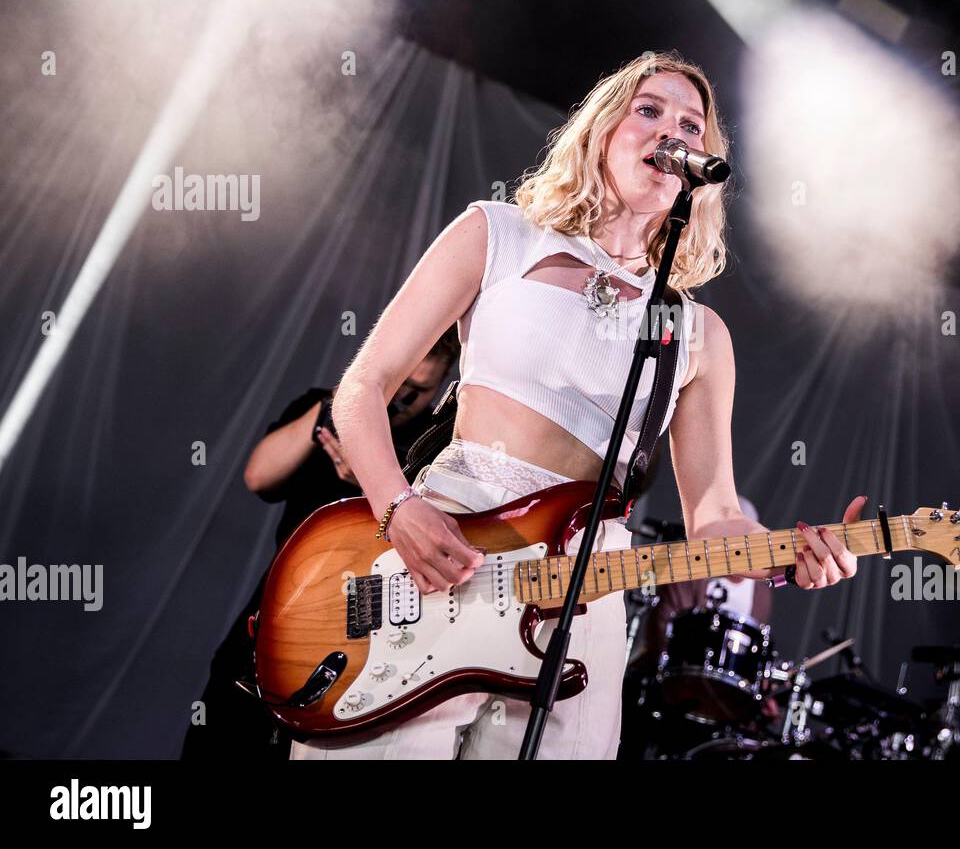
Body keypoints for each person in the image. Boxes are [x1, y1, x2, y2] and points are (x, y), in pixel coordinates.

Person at [291, 50, 866, 760]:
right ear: (600, 131)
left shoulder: (697, 332)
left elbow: (713, 515)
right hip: (447, 546)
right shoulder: (499, 234)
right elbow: (363, 387)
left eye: (692, 125)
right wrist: (397, 508)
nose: (672, 132)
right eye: (648, 110)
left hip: (583, 590)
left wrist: (784, 557)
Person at [180, 331, 458, 759]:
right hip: (279, 613)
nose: (402, 398)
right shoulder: (327, 408)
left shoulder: (435, 443)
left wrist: (376, 480)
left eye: (418, 390)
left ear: (439, 386)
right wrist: (342, 405)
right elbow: (258, 476)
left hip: (361, 637)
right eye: (399, 380)